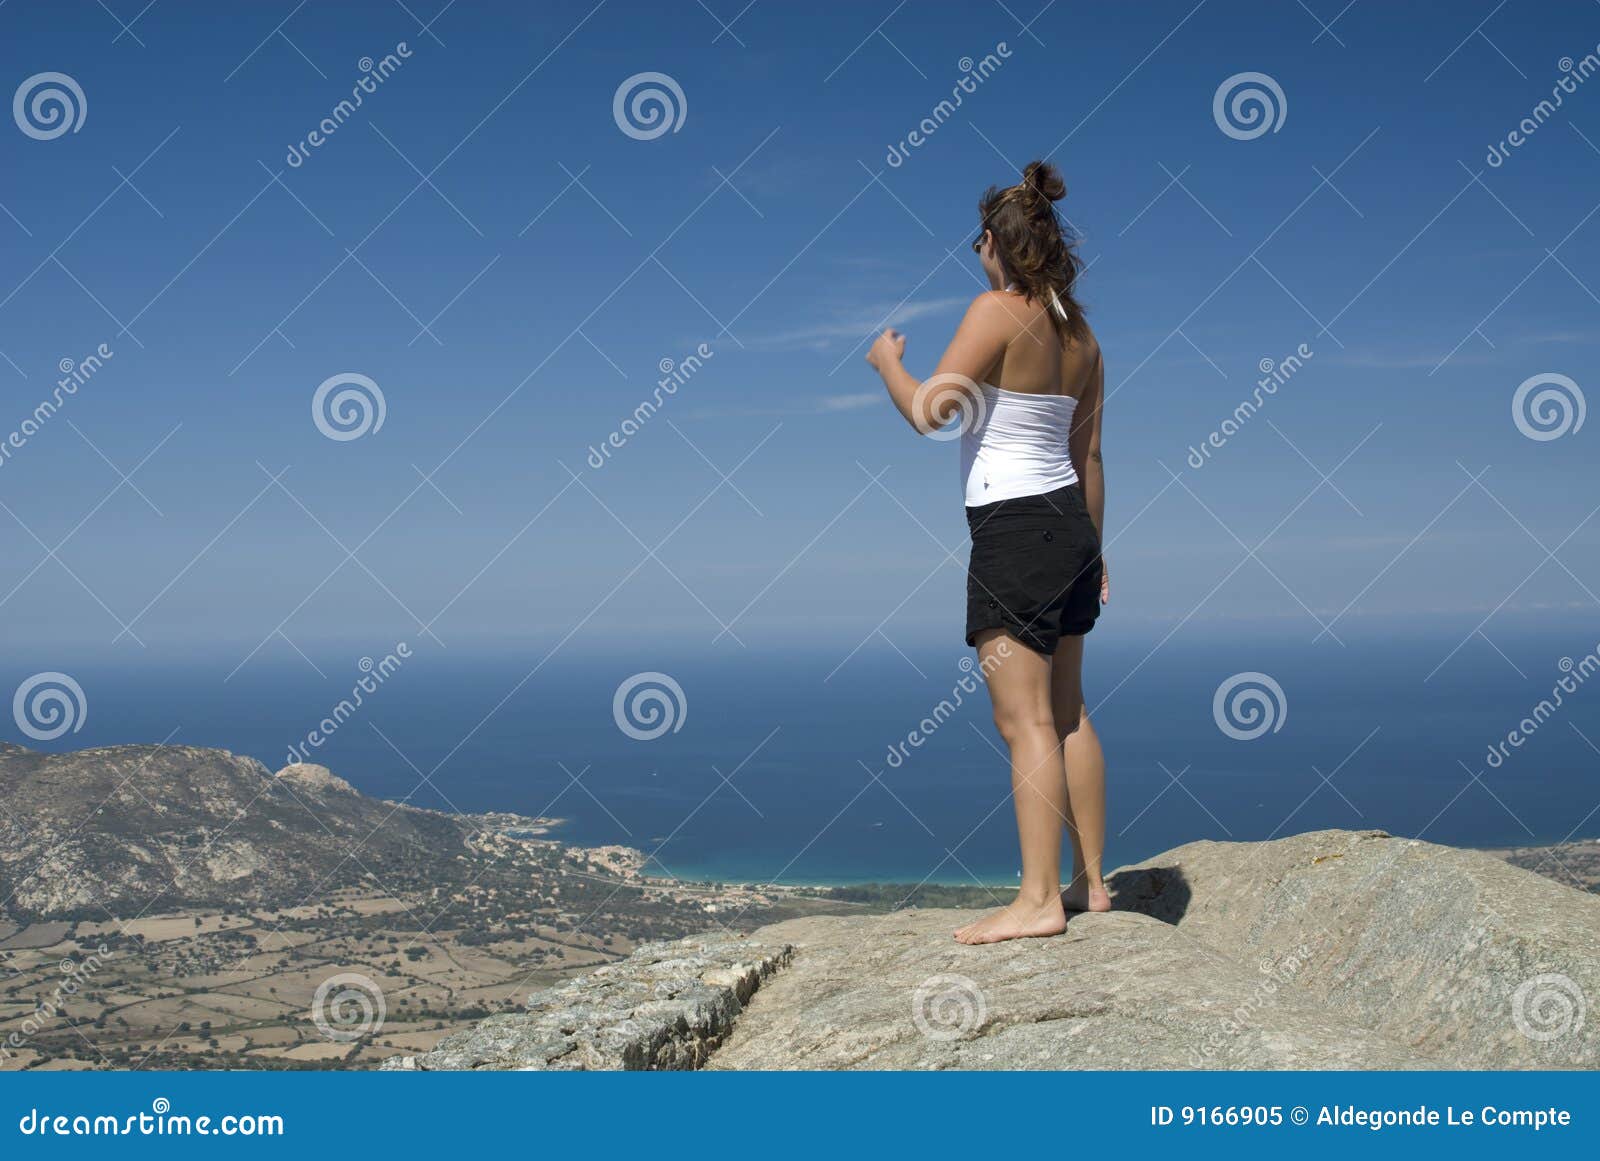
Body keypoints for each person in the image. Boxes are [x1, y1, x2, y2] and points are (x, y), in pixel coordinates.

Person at [866, 160, 1109, 945]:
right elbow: (1091, 457)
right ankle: (1092, 882)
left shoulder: (999, 311)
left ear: (996, 245)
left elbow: (933, 412)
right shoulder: (1084, 337)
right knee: (1068, 709)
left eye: (979, 240)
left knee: (1024, 720)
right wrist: (1095, 552)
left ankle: (1039, 900)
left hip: (1013, 530)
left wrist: (888, 364)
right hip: (1071, 526)